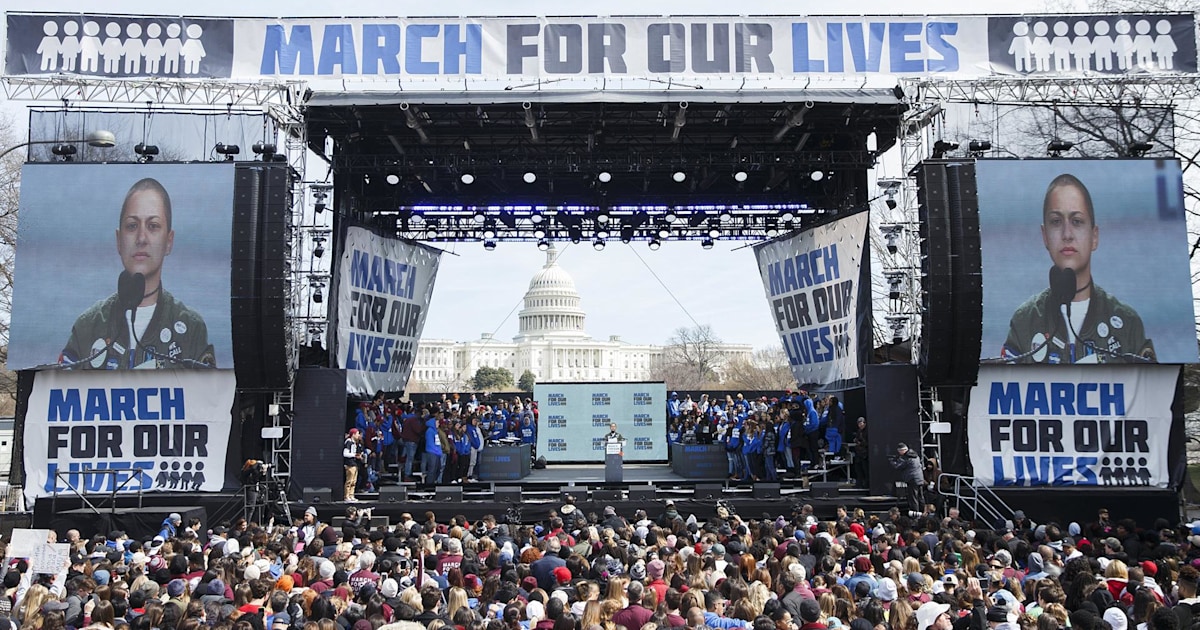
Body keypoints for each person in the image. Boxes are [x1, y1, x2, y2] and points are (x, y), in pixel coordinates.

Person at [60, 177, 215, 369]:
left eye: (153, 226)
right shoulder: (87, 326)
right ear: (119, 240)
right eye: (132, 226)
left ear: (169, 241)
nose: (141, 238)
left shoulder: (191, 328)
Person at [1003, 173, 1154, 364]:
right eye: (1056, 221)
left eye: (1077, 221)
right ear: (1045, 236)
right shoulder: (1025, 321)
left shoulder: (1127, 323)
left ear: (1094, 237)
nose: (1067, 234)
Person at [890, 442, 924, 517]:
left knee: (913, 498)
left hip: (912, 480)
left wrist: (893, 462)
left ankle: (915, 516)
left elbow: (898, 466)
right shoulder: (915, 455)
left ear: (902, 450)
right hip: (919, 479)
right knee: (920, 497)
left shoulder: (907, 458)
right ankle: (923, 514)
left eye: (899, 451)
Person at [343, 428, 364, 502]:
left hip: (355, 464)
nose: (358, 435)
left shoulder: (355, 443)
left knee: (354, 481)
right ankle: (346, 496)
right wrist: (354, 455)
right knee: (349, 481)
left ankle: (351, 495)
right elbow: (345, 453)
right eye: (357, 434)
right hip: (350, 464)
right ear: (353, 434)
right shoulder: (348, 442)